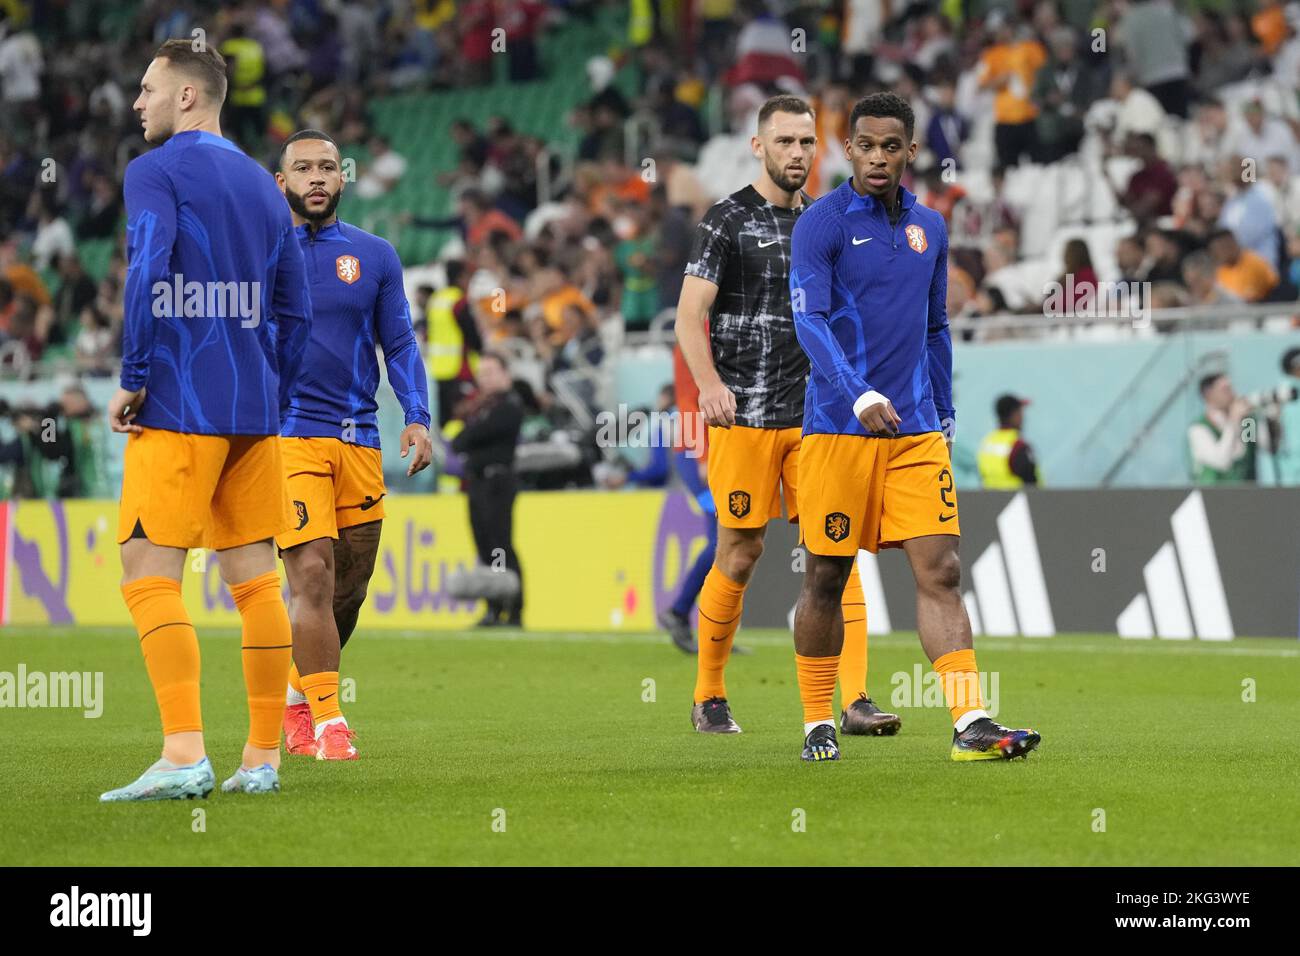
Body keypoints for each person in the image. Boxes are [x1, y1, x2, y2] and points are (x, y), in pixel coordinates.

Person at [789, 91, 1041, 763]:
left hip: (915, 430)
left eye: (890, 146)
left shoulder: (931, 226)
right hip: (838, 430)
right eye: (865, 145)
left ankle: (970, 723)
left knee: (943, 570)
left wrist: (946, 409)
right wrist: (859, 392)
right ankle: (818, 719)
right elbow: (809, 323)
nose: (877, 157)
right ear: (849, 149)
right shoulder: (822, 224)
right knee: (825, 577)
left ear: (910, 151)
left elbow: (935, 326)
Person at [102, 39, 312, 801]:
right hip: (253, 413)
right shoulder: (265, 185)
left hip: (181, 401)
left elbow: (148, 265)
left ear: (187, 96)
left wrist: (133, 376)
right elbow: (297, 306)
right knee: (256, 582)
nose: (138, 103)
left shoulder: (153, 172)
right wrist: (266, 388)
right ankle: (261, 759)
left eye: (148, 87)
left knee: (147, 573)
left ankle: (184, 751)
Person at [676, 94, 897, 739]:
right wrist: (709, 385)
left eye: (807, 143)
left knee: (836, 549)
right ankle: (708, 693)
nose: (798, 153)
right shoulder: (727, 220)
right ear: (759, 146)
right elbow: (691, 313)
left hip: (817, 418)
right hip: (743, 414)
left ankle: (853, 698)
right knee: (740, 553)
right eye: (786, 142)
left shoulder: (828, 221)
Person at [273, 129, 433, 761]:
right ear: (281, 181)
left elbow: (398, 343)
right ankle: (330, 720)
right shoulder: (259, 254)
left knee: (351, 587)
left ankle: (297, 694)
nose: (317, 177)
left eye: (328, 167)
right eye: (303, 168)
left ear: (344, 178)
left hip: (359, 439)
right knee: (311, 572)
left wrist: (417, 416)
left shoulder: (375, 255)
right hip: (288, 437)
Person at [452, 352, 525, 626]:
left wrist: (469, 437)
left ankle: (515, 609)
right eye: (482, 372)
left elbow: (470, 436)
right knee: (484, 546)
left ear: (506, 374)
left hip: (498, 481)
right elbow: (463, 438)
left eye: (491, 371)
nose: (486, 378)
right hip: (478, 482)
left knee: (500, 545)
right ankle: (494, 607)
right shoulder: (482, 406)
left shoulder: (509, 404)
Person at [1189, 373, 1254, 483]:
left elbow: (1266, 448)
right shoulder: (1198, 429)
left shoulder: (1247, 423)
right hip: (1215, 497)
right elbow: (1222, 461)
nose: (1232, 394)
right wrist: (1233, 420)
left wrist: (1271, 417)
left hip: (1248, 495)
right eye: (1225, 390)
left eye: (1231, 388)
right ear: (1209, 394)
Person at [977, 394, 1039, 488]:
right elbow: (1032, 481)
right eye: (1020, 413)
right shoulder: (1018, 445)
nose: (1023, 418)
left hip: (988, 500)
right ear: (1013, 416)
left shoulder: (987, 442)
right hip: (1016, 500)